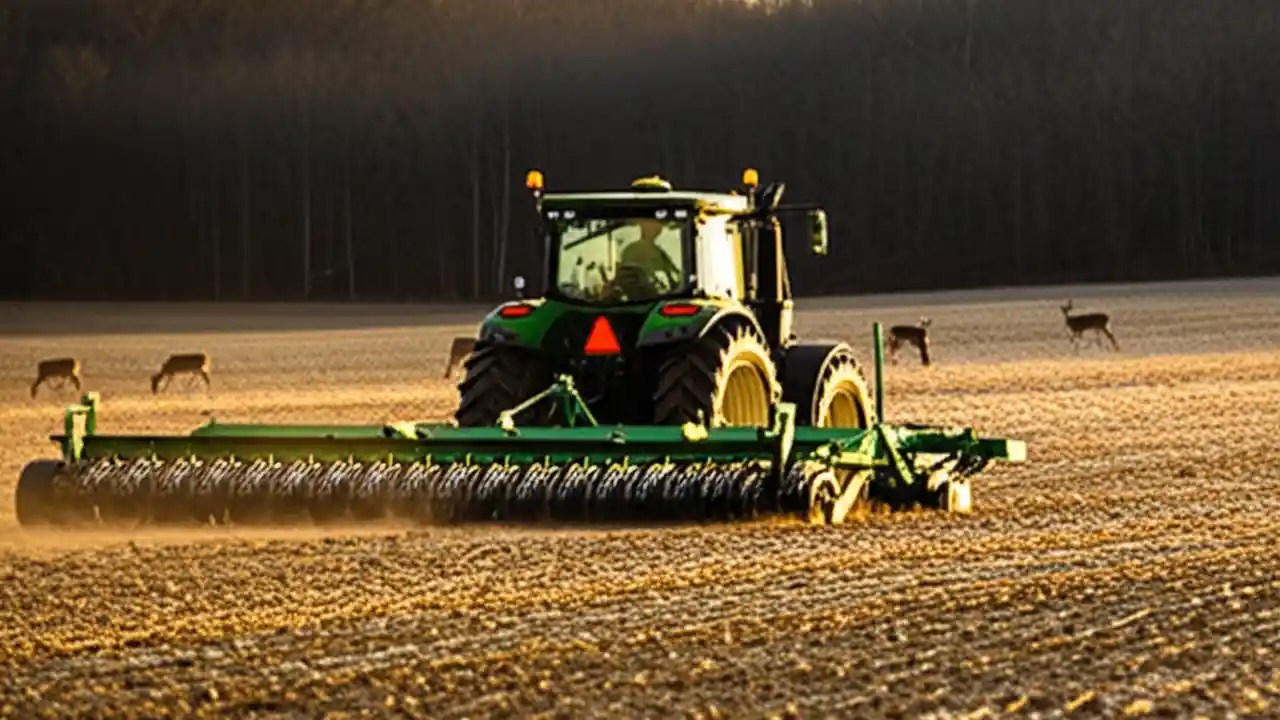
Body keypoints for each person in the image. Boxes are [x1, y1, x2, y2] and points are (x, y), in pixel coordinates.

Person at [614, 219, 679, 297]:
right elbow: (628, 281)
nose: (658, 227)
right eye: (653, 222)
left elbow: (673, 276)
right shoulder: (633, 250)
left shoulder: (658, 250)